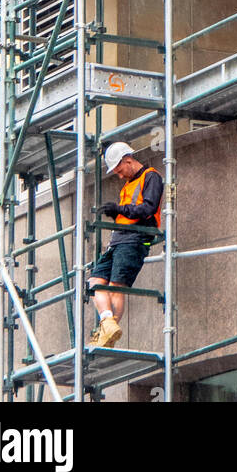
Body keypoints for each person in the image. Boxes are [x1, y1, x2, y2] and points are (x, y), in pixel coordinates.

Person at [89, 142, 164, 349]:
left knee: (116, 287)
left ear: (128, 160)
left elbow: (148, 208)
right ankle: (107, 323)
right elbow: (130, 210)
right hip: (119, 240)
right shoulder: (129, 184)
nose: (120, 175)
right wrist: (118, 213)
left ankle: (109, 331)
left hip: (135, 238)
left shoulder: (151, 177)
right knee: (95, 282)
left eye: (119, 169)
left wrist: (120, 210)